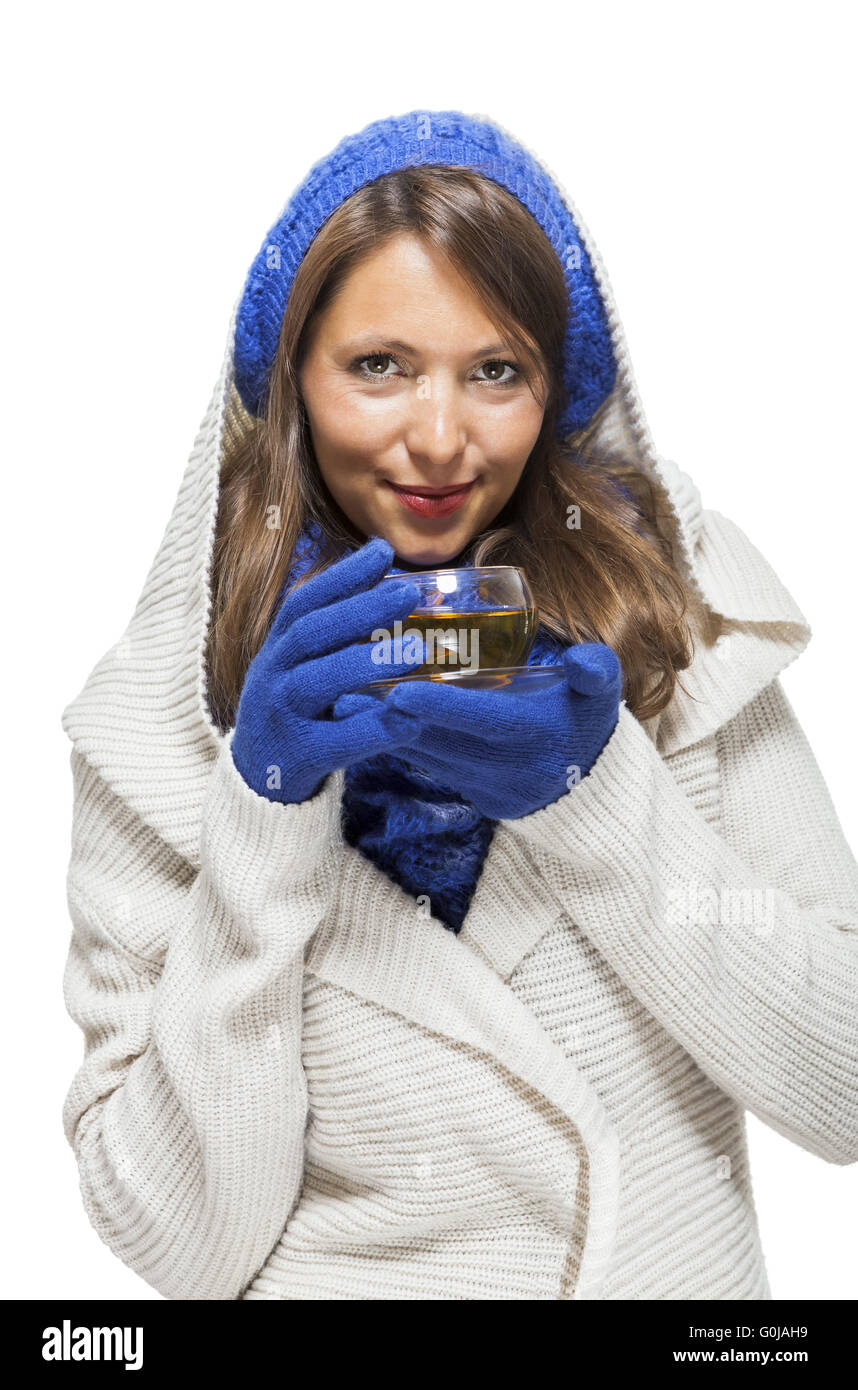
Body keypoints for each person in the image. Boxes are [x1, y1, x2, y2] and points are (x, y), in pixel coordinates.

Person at [60, 109, 858, 1301]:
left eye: (496, 372)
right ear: (292, 380)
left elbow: (840, 1085)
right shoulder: (161, 713)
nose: (438, 441)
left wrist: (593, 805)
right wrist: (263, 817)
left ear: (557, 383)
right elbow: (174, 1242)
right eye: (378, 366)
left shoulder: (676, 616)